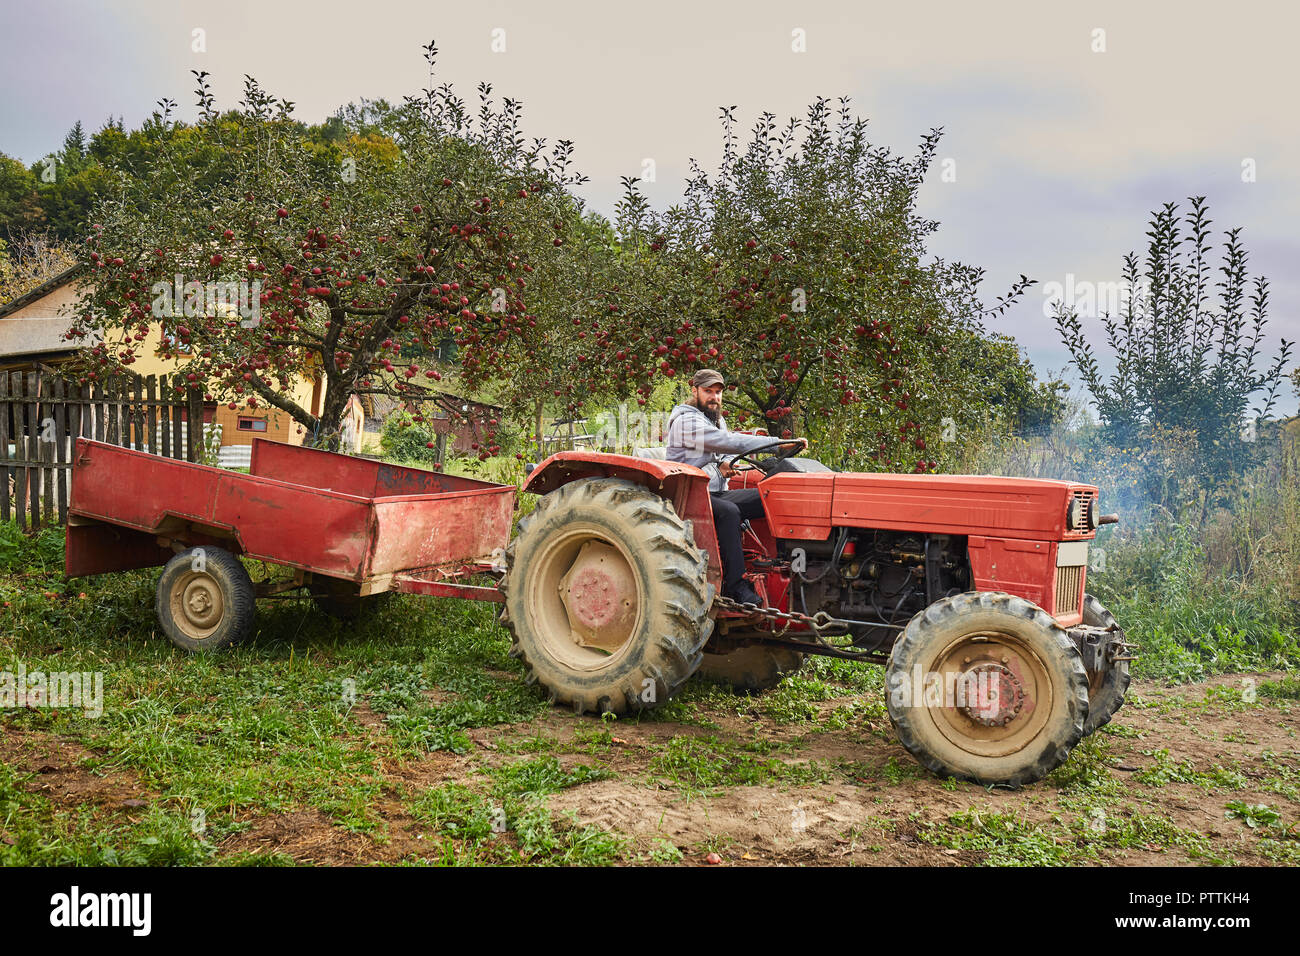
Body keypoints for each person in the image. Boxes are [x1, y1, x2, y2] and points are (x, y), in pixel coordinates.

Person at [664, 368, 804, 606]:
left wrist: (723, 466)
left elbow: (713, 453)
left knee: (771, 498)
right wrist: (777, 444)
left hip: (712, 491)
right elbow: (727, 442)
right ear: (694, 391)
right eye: (708, 391)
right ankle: (735, 585)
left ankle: (785, 566)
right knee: (729, 512)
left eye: (718, 392)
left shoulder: (715, 419)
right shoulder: (686, 421)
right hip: (689, 495)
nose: (714, 397)